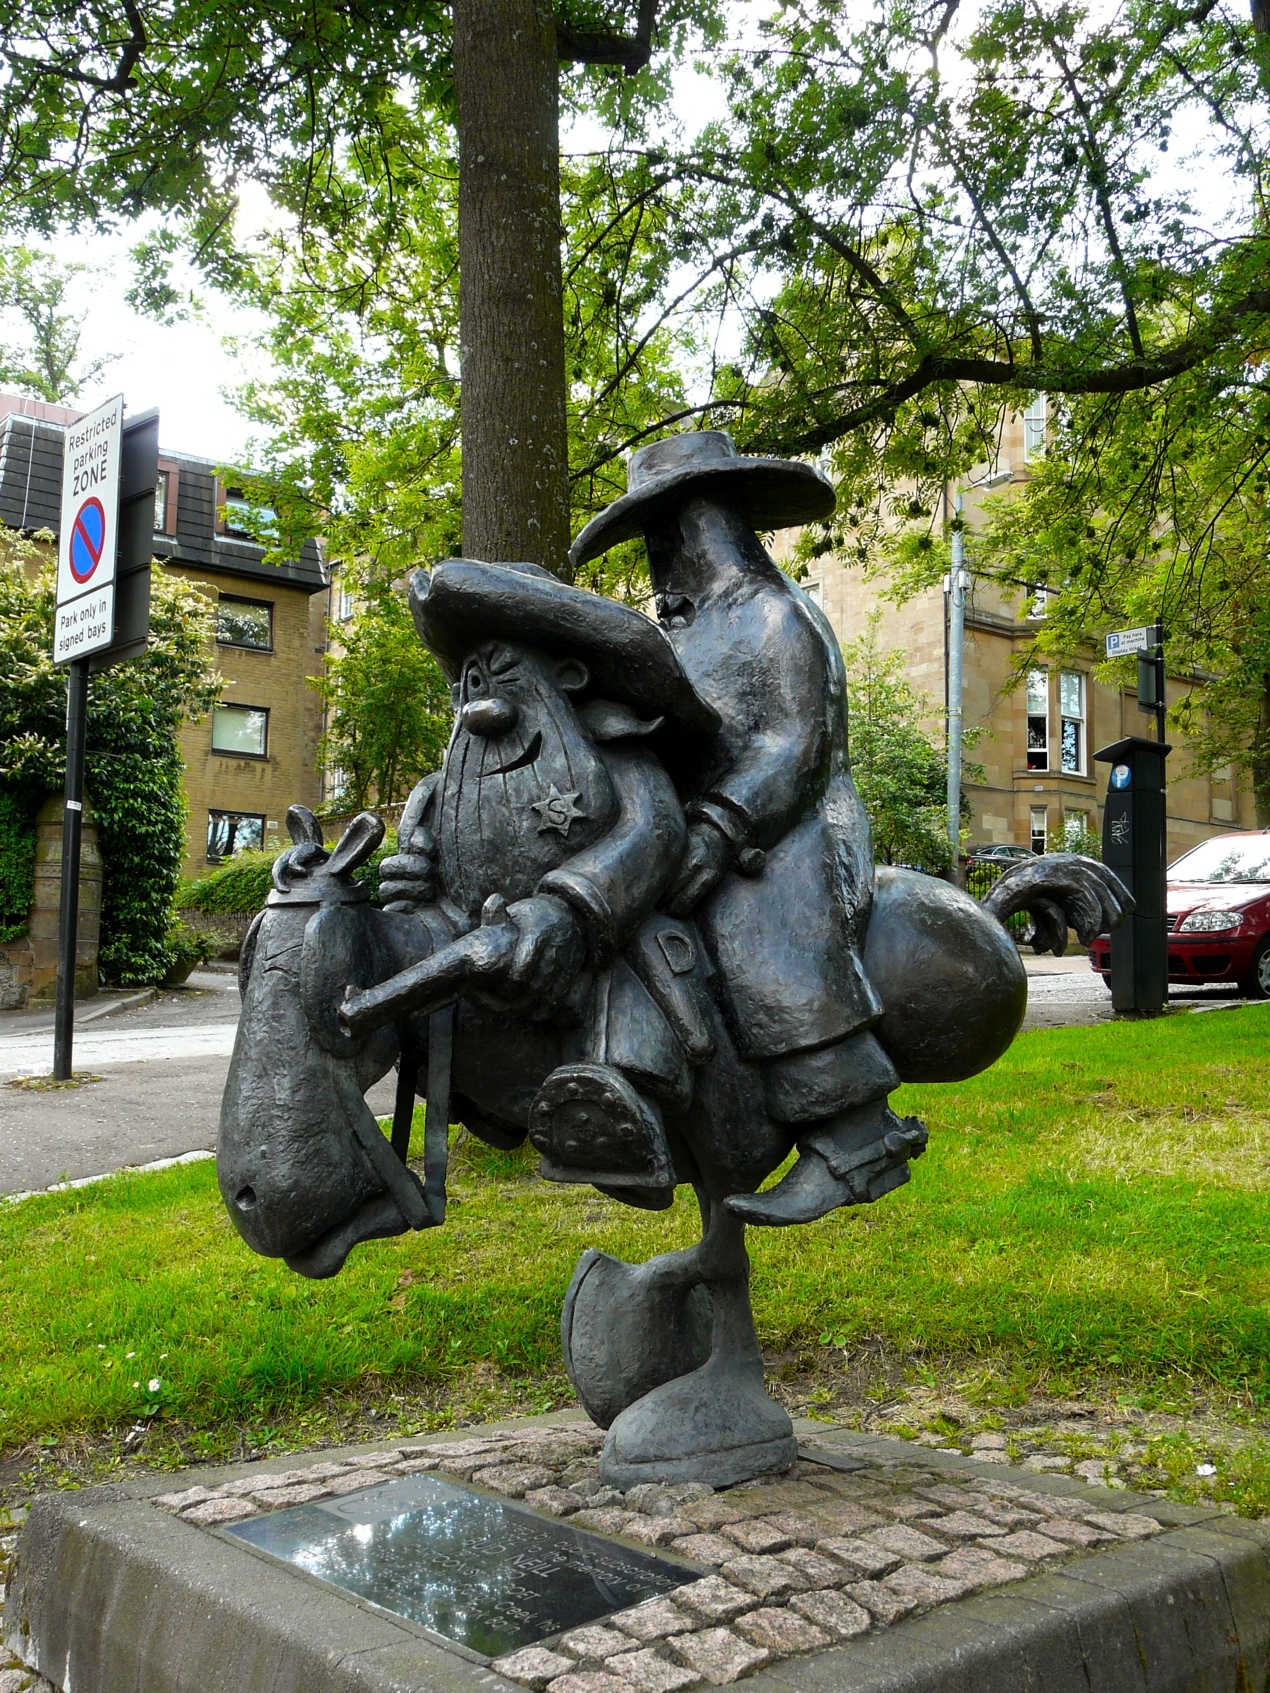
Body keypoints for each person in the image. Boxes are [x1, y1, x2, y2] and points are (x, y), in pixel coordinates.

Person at [569, 430, 925, 1226]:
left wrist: (722, 828)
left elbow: (796, 745)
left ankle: (853, 1132)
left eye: (669, 531)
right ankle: (640, 1091)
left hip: (792, 826)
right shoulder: (676, 634)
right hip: (699, 823)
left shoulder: (776, 616)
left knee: (759, 914)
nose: (660, 554)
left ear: (709, 526)